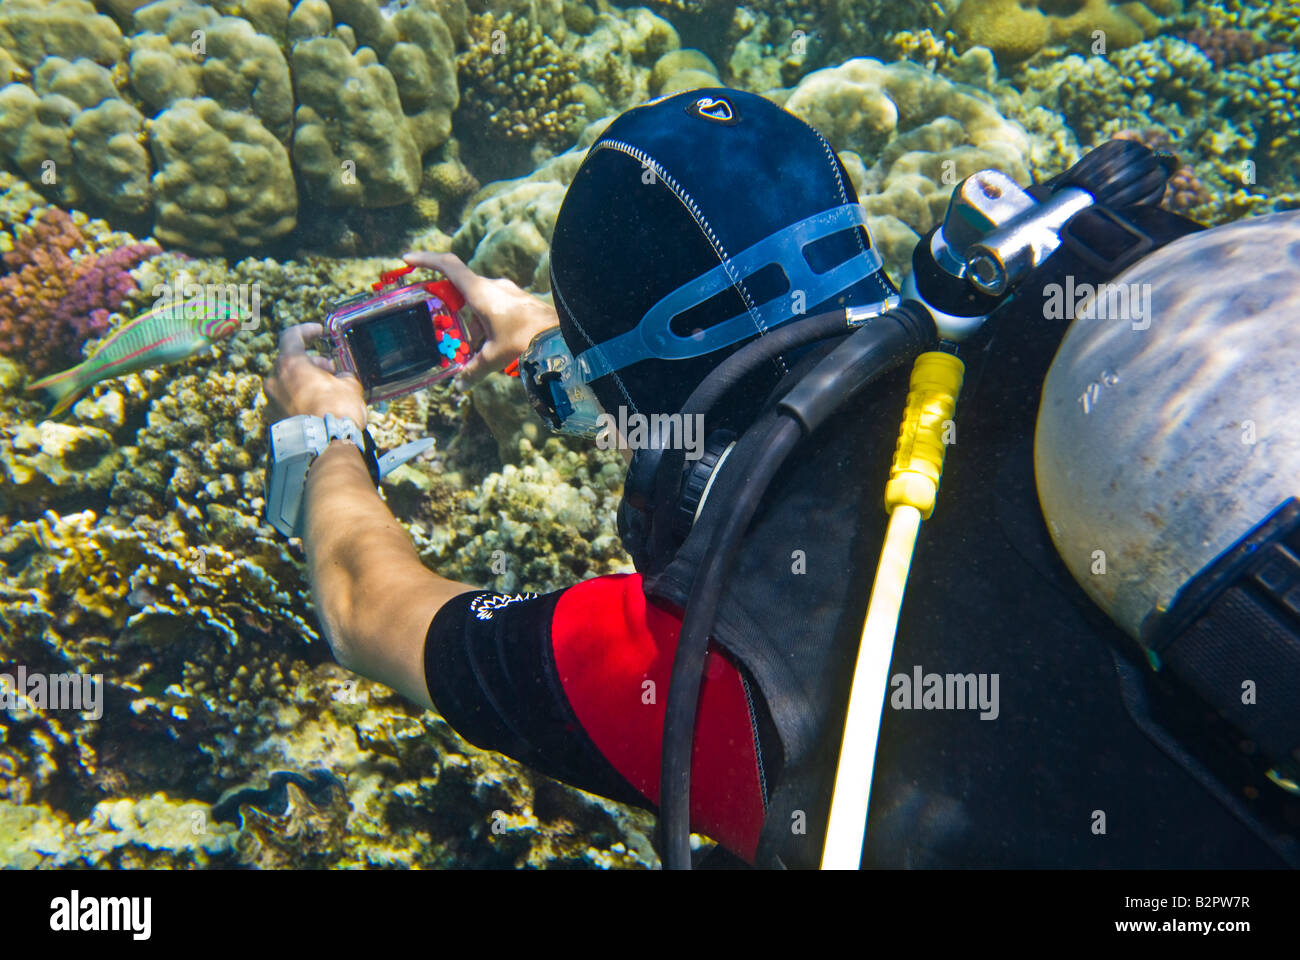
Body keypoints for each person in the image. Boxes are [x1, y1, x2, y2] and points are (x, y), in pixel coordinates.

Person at [263, 88, 1300, 868]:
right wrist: (550, 336)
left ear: (620, 384)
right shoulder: (1055, 340)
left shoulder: (699, 666)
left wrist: (326, 435)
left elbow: (365, 607)